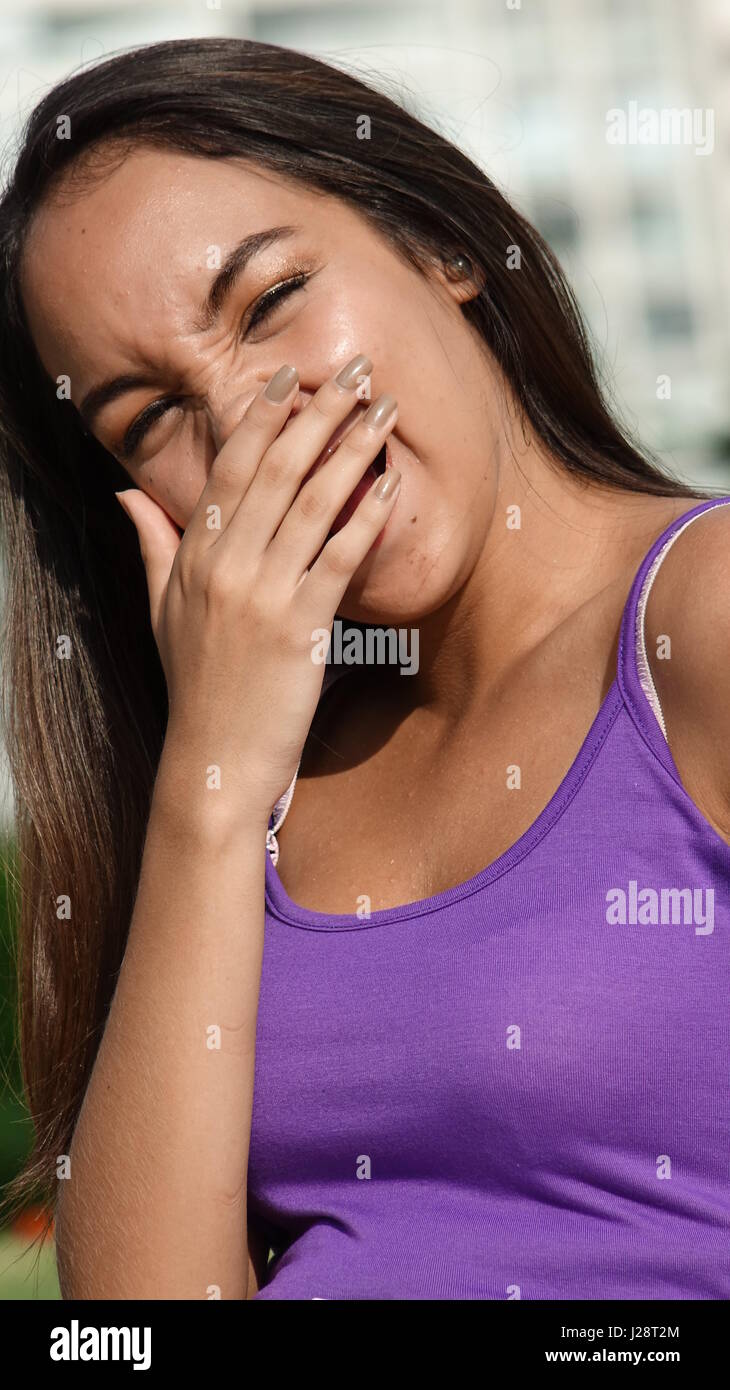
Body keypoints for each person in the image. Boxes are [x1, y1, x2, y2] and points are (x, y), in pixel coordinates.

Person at [1, 37, 728, 1300]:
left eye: (271, 298)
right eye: (150, 416)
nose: (248, 419)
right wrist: (214, 782)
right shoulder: (245, 793)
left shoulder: (699, 621)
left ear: (444, 249)